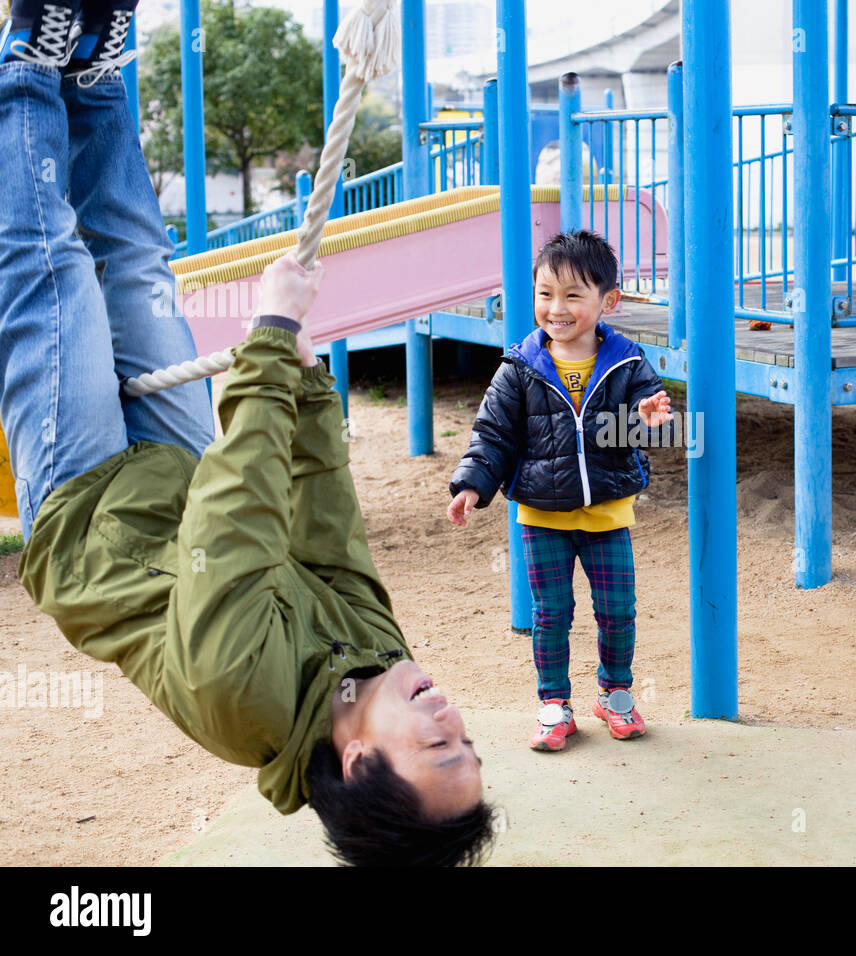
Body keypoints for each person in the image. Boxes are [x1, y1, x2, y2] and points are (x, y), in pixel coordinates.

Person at [0, 0, 492, 866]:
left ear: (359, 760)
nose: (450, 716)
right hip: (180, 477)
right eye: (469, 742)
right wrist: (306, 389)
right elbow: (327, 528)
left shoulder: (240, 700)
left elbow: (233, 533)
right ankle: (95, 77)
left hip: (86, 523)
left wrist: (269, 338)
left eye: (438, 745)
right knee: (141, 264)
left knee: (56, 269)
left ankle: (28, 70)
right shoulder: (378, 663)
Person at [447, 230, 673, 752]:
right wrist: (472, 485)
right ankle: (554, 704)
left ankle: (615, 693)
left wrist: (647, 418)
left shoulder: (627, 361)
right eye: (546, 294)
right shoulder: (519, 366)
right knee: (551, 614)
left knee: (618, 610)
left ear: (608, 301)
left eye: (573, 295)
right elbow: (493, 434)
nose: (557, 308)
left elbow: (647, 421)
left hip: (607, 513)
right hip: (542, 515)